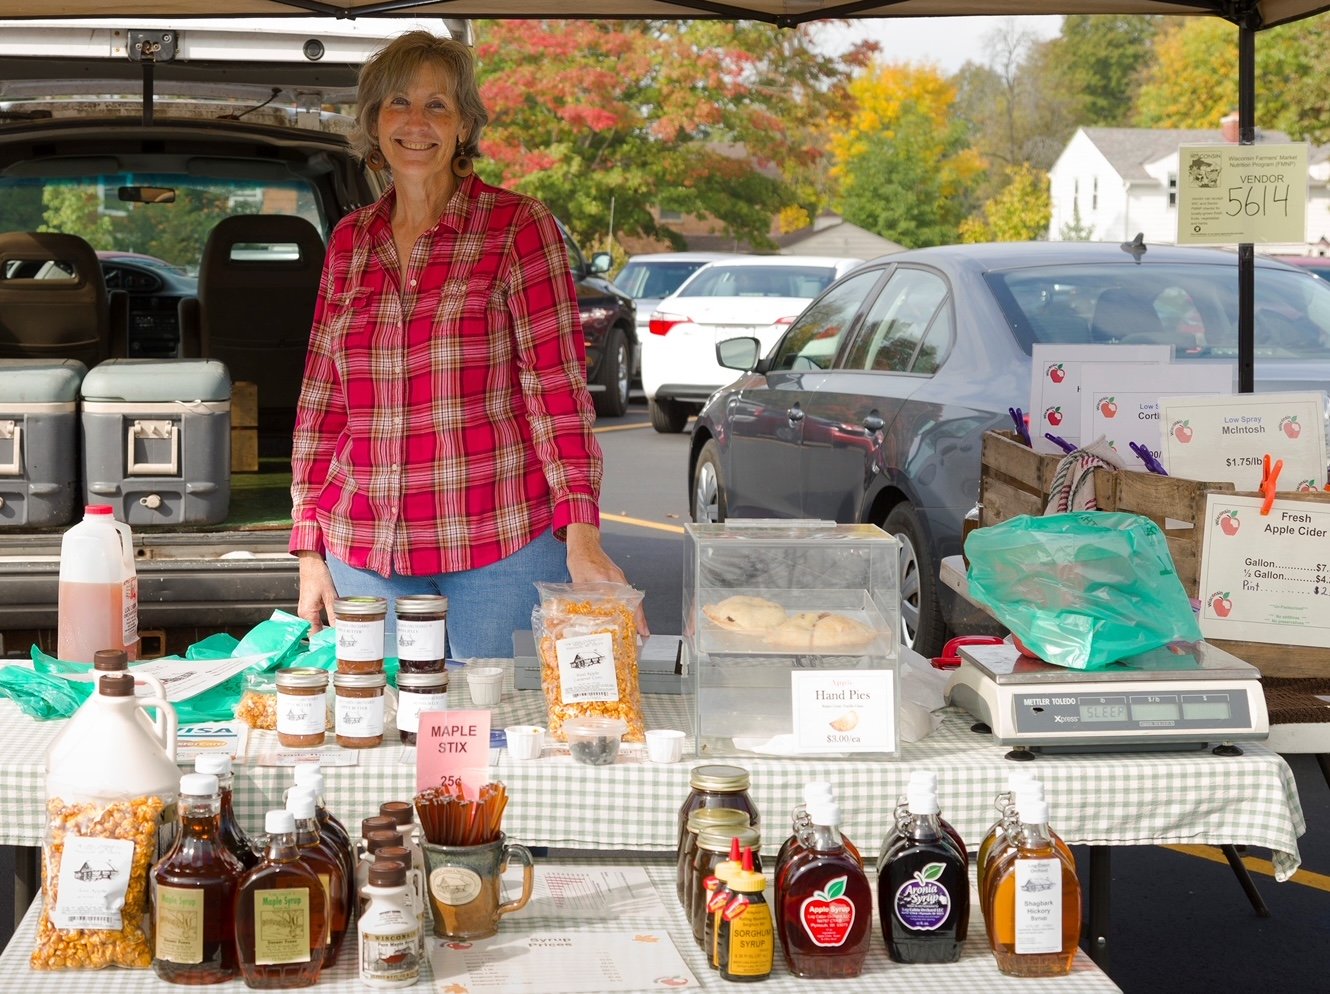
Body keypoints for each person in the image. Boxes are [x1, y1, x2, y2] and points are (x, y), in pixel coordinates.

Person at [289, 30, 645, 658]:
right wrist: (309, 549)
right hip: (367, 549)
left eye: (438, 106)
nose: (416, 123)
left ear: (464, 126)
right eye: (398, 104)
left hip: (497, 539)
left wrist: (583, 537)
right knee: (389, 726)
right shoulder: (351, 240)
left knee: (496, 730)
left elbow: (556, 393)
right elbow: (323, 402)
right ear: (374, 123)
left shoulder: (517, 228)